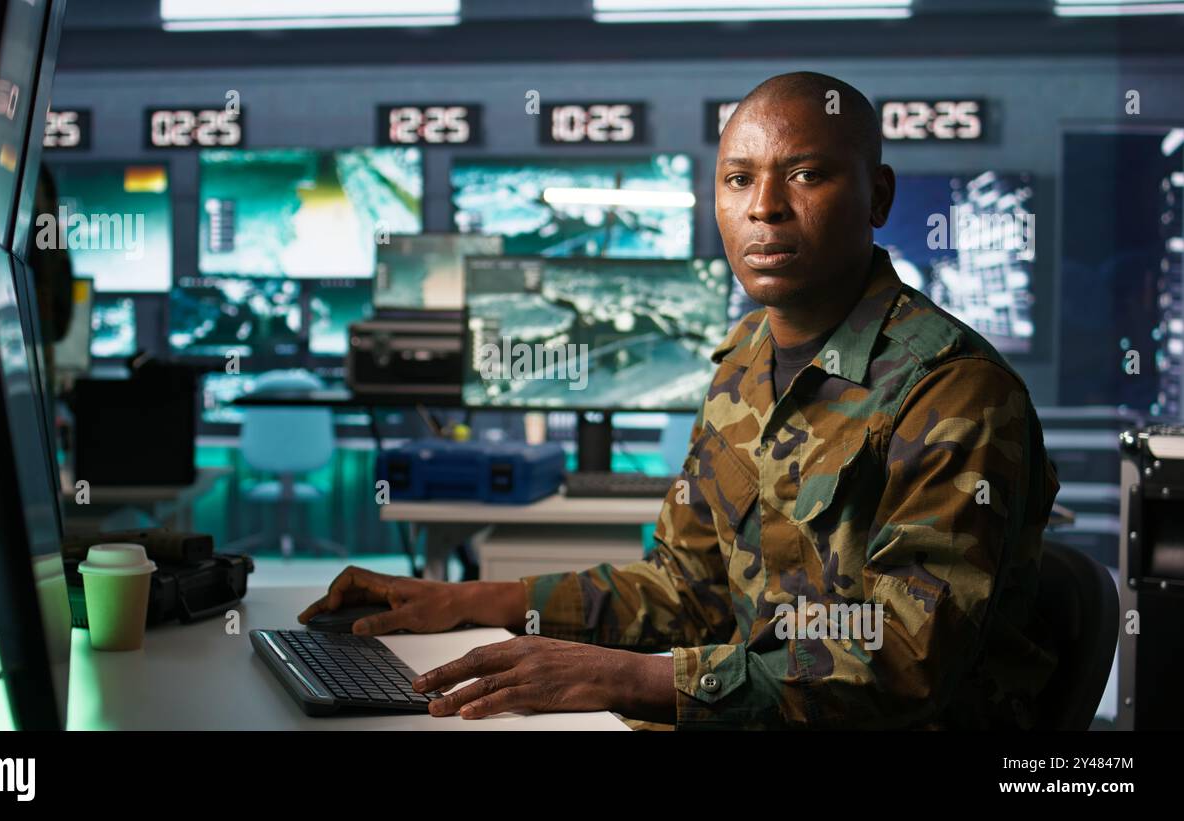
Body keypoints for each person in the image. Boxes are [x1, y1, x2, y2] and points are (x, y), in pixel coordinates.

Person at [299, 71, 1060, 729]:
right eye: (738, 178)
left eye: (806, 175)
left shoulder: (954, 390)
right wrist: (467, 599)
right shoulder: (745, 359)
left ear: (878, 196)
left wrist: (625, 677)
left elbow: (902, 661)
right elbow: (684, 587)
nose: (765, 206)